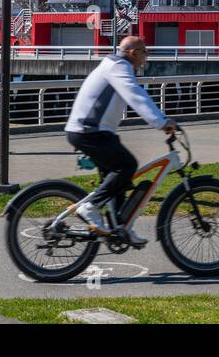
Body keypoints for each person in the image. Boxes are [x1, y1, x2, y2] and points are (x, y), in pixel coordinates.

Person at [64, 36, 177, 243]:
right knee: (127, 165)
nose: (147, 56)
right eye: (144, 51)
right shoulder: (119, 67)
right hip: (89, 132)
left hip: (96, 132)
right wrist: (161, 122)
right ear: (133, 53)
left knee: (119, 183)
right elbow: (136, 95)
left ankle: (120, 228)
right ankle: (89, 207)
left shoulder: (115, 65)